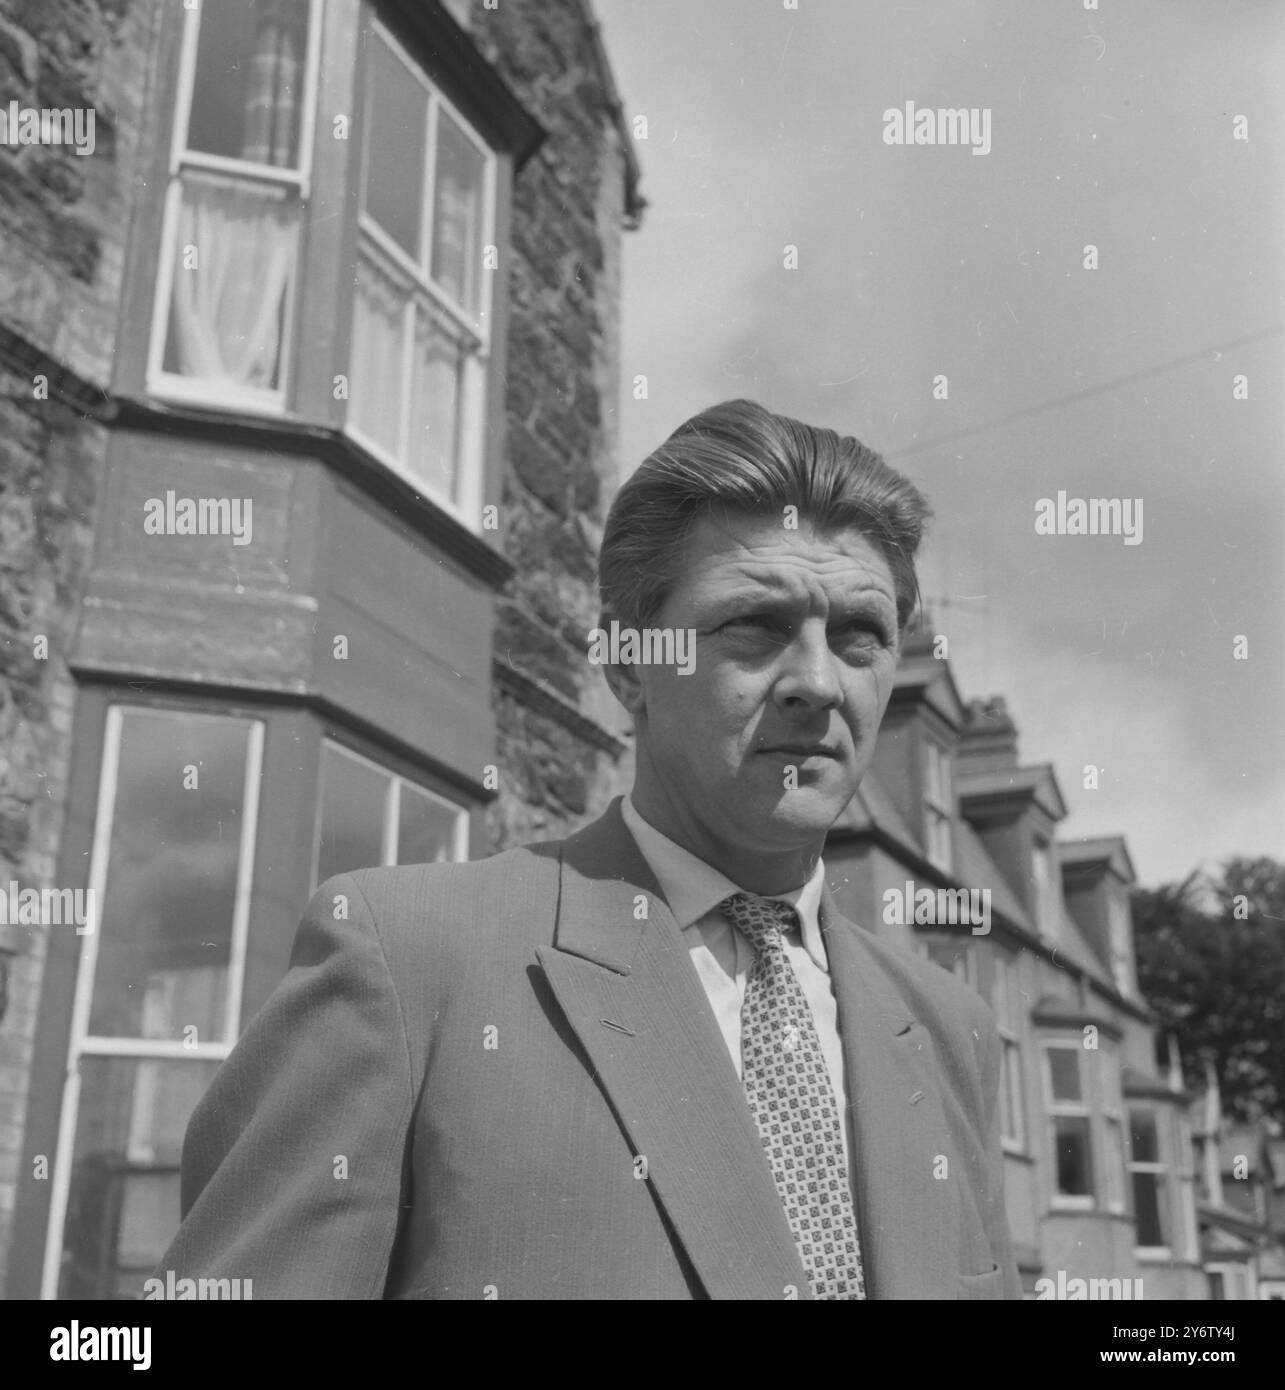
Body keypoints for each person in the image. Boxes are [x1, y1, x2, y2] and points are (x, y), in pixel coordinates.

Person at [158, 399, 1020, 1299]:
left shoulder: (947, 1026)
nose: (815, 681)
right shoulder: (406, 959)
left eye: (859, 636)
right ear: (623, 664)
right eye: (755, 627)